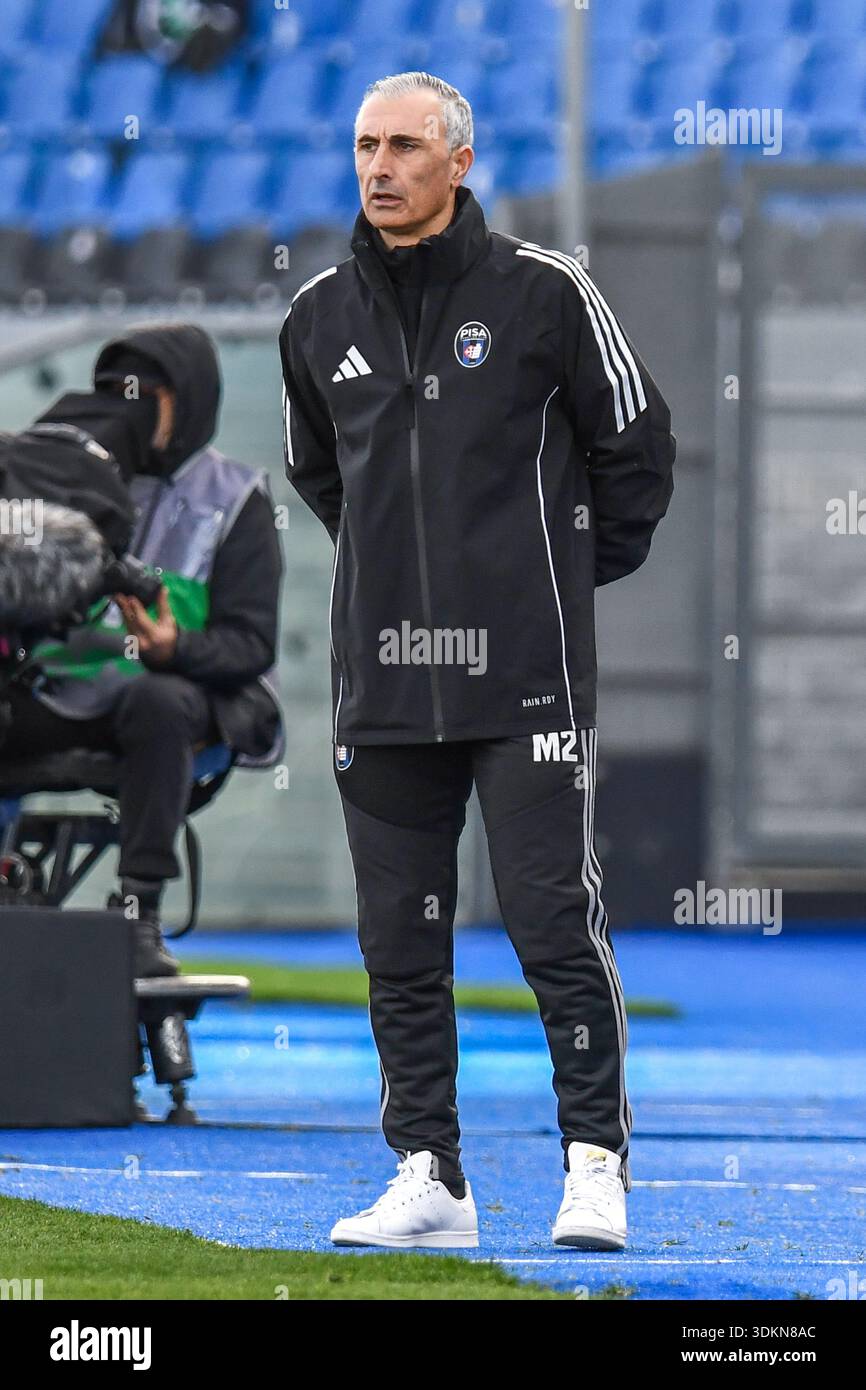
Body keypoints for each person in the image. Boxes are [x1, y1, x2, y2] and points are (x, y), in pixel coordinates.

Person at [279, 72, 675, 1252]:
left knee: (553, 922)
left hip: (524, 678)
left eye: (403, 145)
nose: (379, 166)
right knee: (398, 936)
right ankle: (428, 1171)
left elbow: (637, 453)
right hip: (385, 681)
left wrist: (545, 584)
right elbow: (319, 474)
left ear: (458, 161)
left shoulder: (548, 295)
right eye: (363, 145)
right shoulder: (316, 317)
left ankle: (592, 1162)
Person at [1, 324, 283, 977]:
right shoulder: (58, 474)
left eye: (146, 393)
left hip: (165, 700)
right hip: (54, 692)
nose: (126, 404)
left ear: (186, 400)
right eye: (114, 390)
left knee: (161, 702)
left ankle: (139, 916)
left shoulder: (234, 499)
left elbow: (251, 645)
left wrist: (173, 646)